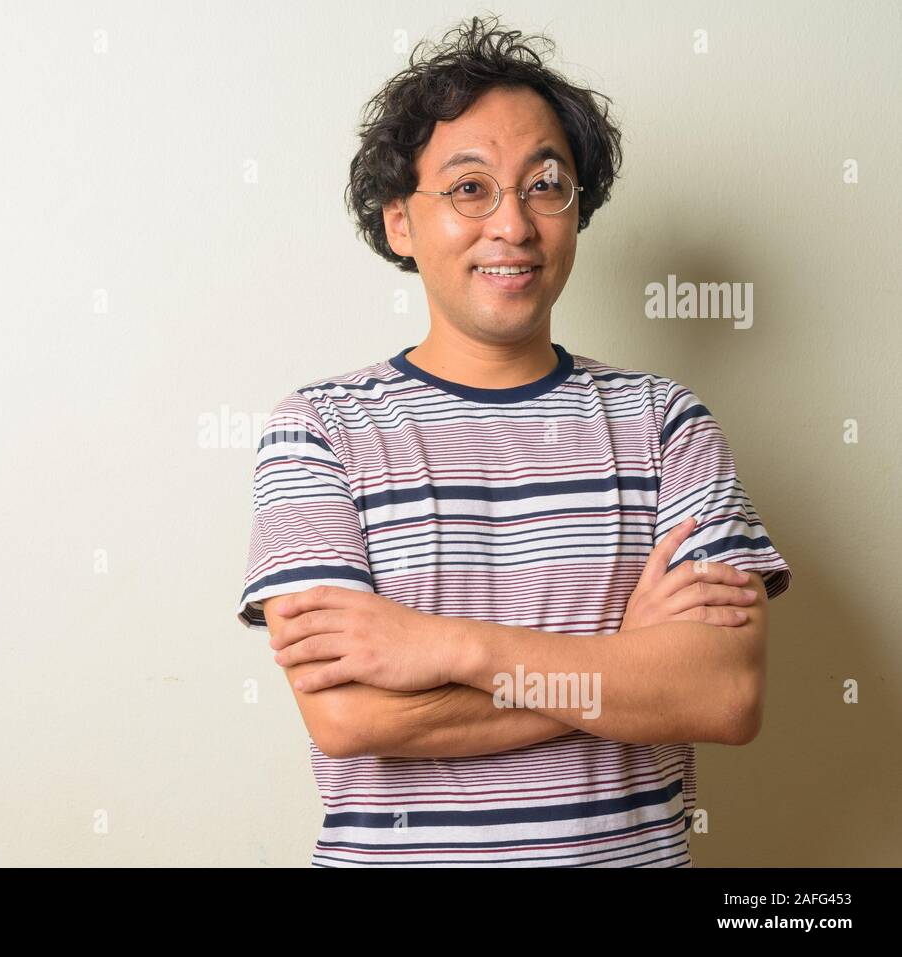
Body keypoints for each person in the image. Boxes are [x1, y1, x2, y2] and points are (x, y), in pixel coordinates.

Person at [235, 17, 791, 867]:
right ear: (400, 223)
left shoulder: (667, 421)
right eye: (468, 188)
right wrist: (625, 668)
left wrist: (452, 648)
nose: (513, 223)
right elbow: (349, 718)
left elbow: (722, 695)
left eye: (545, 184)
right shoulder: (319, 428)